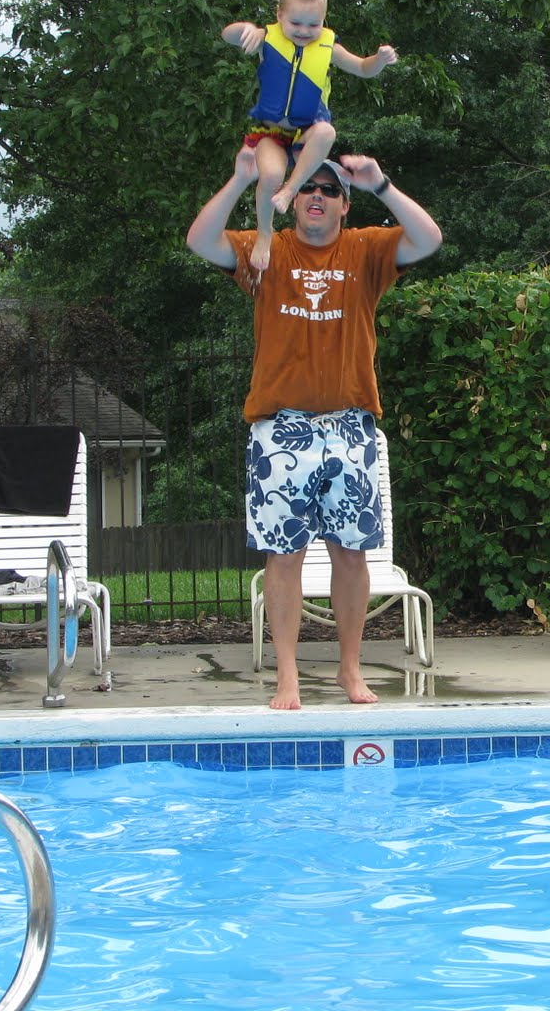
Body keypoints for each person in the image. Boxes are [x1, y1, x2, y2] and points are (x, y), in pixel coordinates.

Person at [186, 147, 442, 709]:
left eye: (330, 189)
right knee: (284, 556)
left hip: (350, 426)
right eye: (308, 188)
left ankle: (350, 671)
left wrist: (383, 184)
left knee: (351, 554)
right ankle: (288, 676)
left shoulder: (366, 250)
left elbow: (429, 240)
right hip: (280, 429)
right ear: (291, 199)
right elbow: (199, 241)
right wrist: (239, 180)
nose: (318, 196)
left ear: (345, 205)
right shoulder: (266, 251)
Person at [221, 0, 398, 275]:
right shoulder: (267, 38)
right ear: (280, 16)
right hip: (272, 133)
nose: (304, 32)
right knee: (271, 174)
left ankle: (291, 190)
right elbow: (228, 34)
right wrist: (246, 30)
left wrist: (380, 60)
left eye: (313, 25)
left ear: (324, 21)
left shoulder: (328, 47)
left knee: (327, 131)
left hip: (307, 135)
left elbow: (363, 69)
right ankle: (265, 234)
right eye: (296, 24)